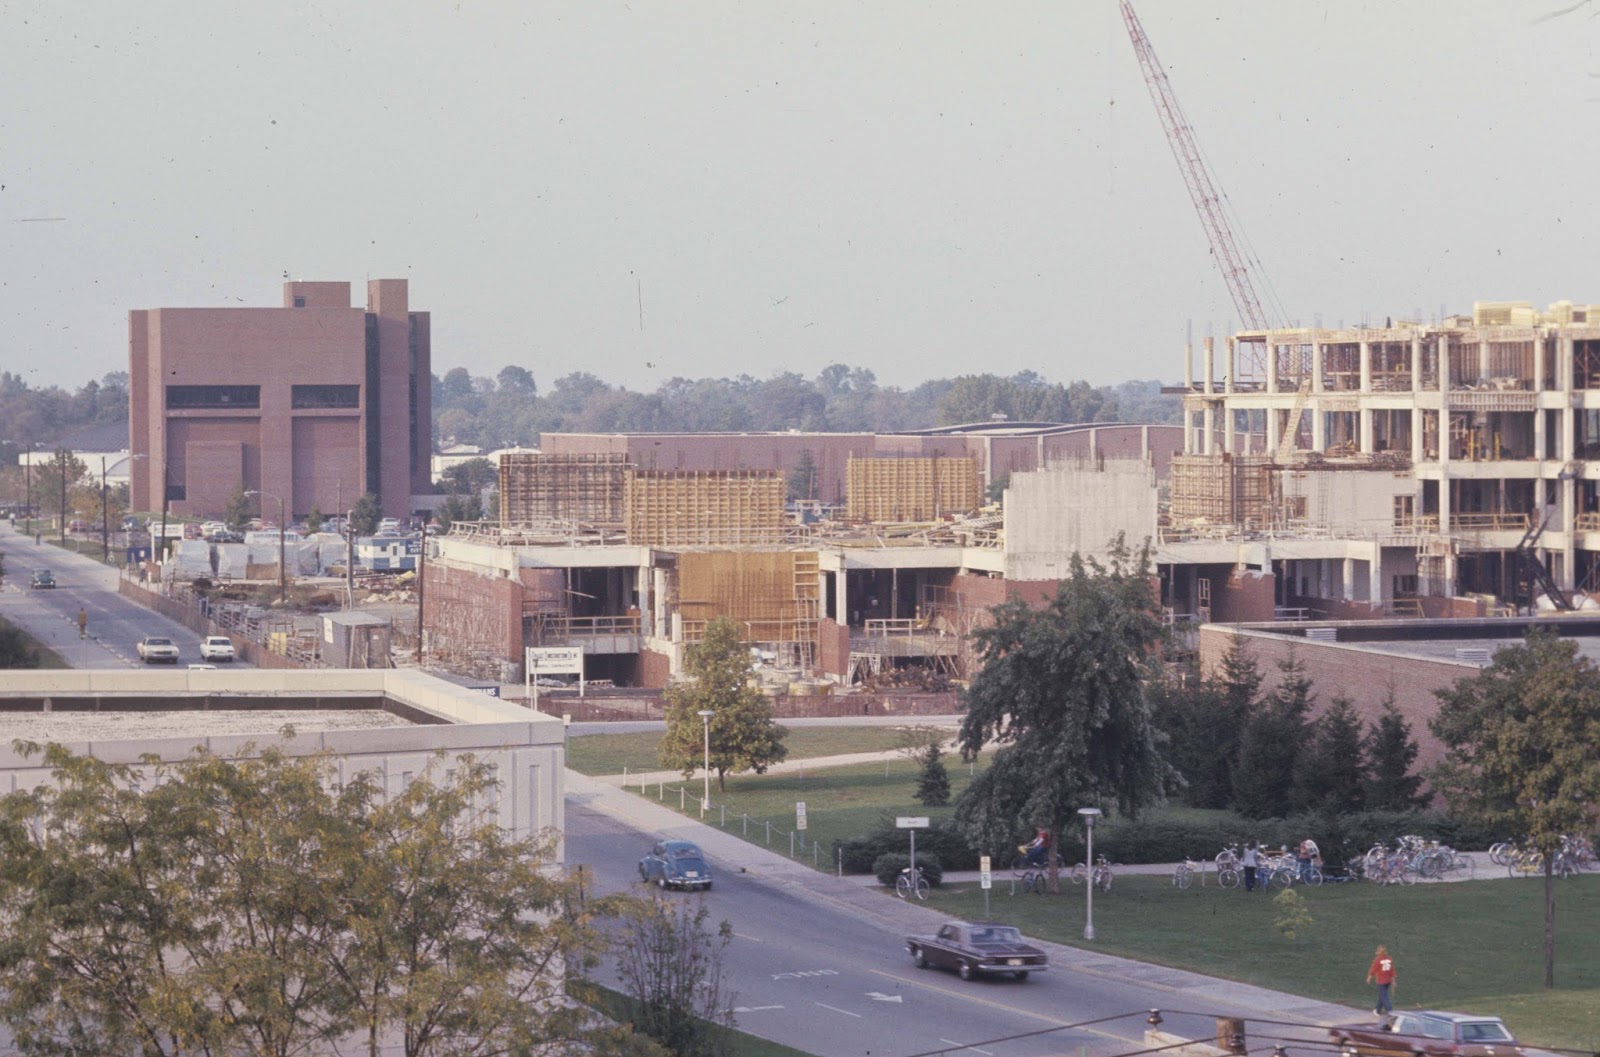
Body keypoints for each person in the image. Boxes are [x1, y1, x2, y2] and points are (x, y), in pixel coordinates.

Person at [1367, 945, 1396, 1017]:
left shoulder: (1378, 959)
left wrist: (1369, 977)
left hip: (1381, 981)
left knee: (1384, 996)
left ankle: (1390, 1012)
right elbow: (1392, 970)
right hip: (1388, 981)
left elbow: (1373, 969)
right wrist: (1393, 981)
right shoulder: (1389, 959)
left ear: (1378, 951)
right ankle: (1377, 1010)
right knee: (1382, 995)